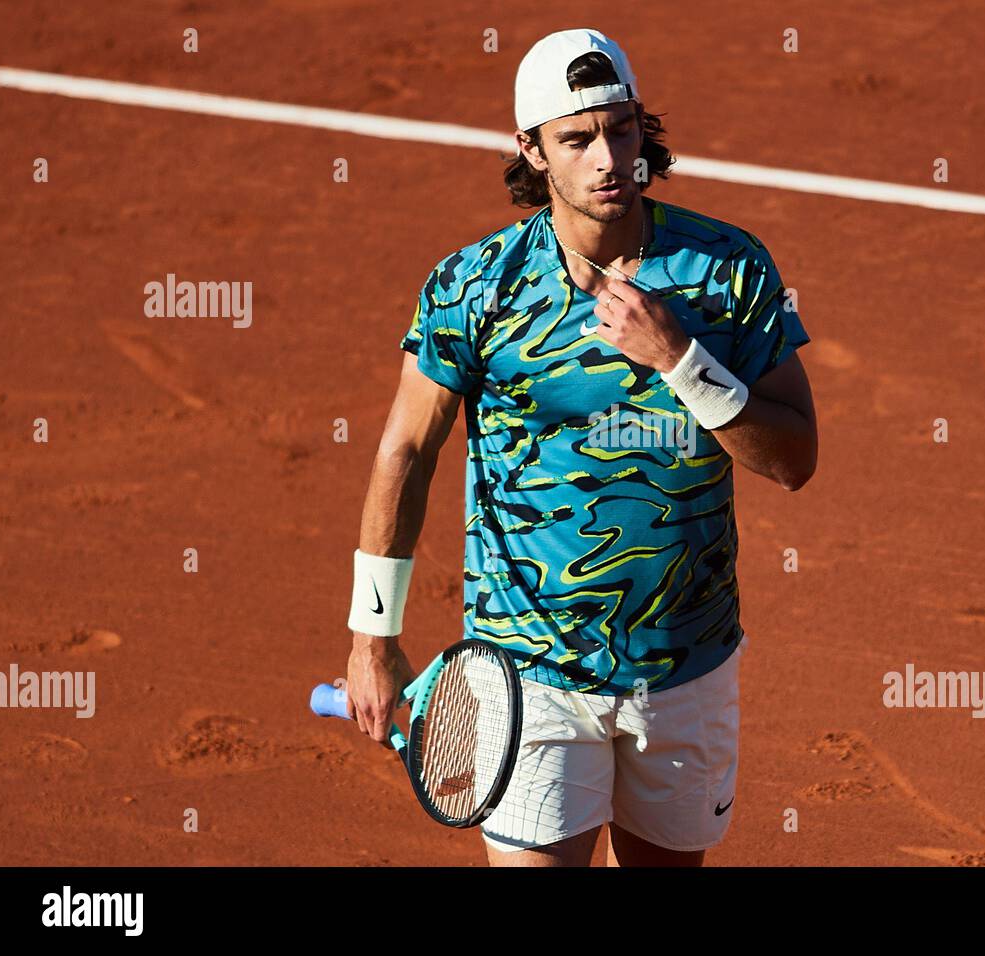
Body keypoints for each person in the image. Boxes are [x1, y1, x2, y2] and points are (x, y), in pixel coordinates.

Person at [343, 28, 817, 867]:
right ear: (530, 150)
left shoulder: (730, 269)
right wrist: (371, 639)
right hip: (531, 675)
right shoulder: (475, 286)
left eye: (623, 129)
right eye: (577, 139)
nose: (610, 159)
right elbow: (406, 452)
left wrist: (681, 360)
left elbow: (793, 459)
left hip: (686, 664)